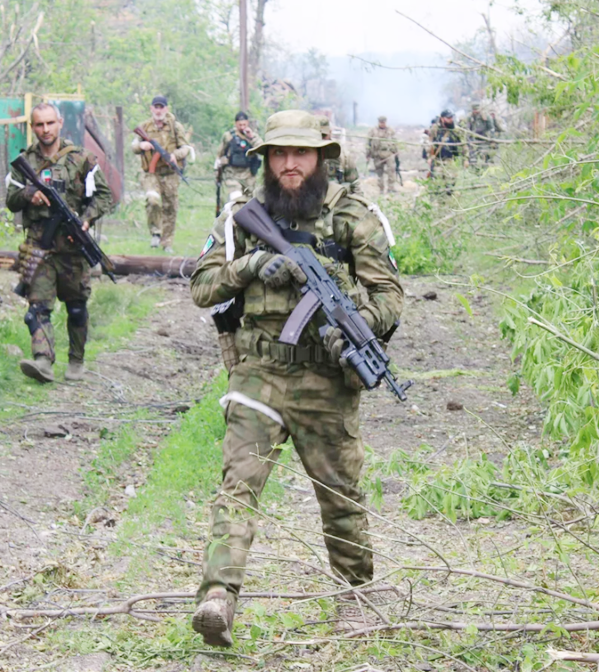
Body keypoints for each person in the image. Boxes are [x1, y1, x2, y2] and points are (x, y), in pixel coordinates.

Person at [189, 110, 404, 647]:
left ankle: (354, 600)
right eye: (280, 154)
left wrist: (355, 332)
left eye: (301, 154)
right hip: (258, 372)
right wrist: (252, 267)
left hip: (327, 382)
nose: (290, 164)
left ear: (321, 159)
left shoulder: (355, 217)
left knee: (341, 496)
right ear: (265, 160)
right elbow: (201, 286)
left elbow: (390, 300)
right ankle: (218, 599)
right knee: (238, 487)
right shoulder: (243, 216)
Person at [6, 102, 113, 384]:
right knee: (38, 307)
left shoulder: (81, 158)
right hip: (39, 246)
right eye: (39, 124)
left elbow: (105, 196)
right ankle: (43, 361)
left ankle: (76, 360)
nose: (45, 130)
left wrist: (86, 220)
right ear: (32, 127)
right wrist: (30, 193)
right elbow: (10, 199)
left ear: (60, 122)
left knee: (76, 306)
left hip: (72, 247)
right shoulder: (25, 161)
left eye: (50, 123)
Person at [132, 95, 193, 253]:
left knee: (170, 207)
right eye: (156, 107)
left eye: (161, 107)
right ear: (151, 108)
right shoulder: (145, 126)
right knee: (153, 200)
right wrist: (141, 145)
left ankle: (167, 243)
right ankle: (155, 233)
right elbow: (133, 146)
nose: (158, 110)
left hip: (170, 173)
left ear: (166, 109)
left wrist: (175, 156)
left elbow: (185, 148)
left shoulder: (175, 127)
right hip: (151, 174)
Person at [215, 111, 262, 201]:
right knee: (236, 201)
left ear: (247, 123)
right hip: (233, 175)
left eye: (244, 124)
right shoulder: (228, 136)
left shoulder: (252, 136)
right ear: (235, 124)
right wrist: (217, 171)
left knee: (249, 202)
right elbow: (220, 154)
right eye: (240, 125)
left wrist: (251, 137)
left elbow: (261, 149)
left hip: (248, 176)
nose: (242, 127)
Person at [318, 115, 362, 195]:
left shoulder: (343, 156)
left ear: (330, 133)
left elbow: (354, 185)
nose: (320, 139)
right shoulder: (303, 157)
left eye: (323, 136)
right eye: (317, 136)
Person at [430, 109, 464, 195]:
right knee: (437, 183)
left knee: (451, 184)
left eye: (451, 117)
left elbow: (463, 144)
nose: (450, 120)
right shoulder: (435, 129)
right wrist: (430, 157)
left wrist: (465, 159)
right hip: (438, 160)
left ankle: (449, 201)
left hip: (450, 160)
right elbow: (430, 144)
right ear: (442, 119)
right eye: (448, 118)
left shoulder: (456, 130)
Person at [365, 115, 399, 194]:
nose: (382, 124)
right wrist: (368, 155)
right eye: (381, 122)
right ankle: (381, 189)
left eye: (383, 122)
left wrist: (396, 152)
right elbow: (368, 143)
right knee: (379, 173)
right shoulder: (373, 131)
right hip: (377, 154)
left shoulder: (390, 130)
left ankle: (391, 188)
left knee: (391, 171)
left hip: (389, 154)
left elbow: (395, 141)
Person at [466, 102, 501, 167]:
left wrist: (492, 139)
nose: (475, 111)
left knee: (485, 155)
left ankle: (487, 166)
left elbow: (491, 128)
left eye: (477, 109)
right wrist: (468, 139)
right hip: (474, 139)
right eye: (474, 110)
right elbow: (468, 128)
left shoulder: (486, 116)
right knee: (473, 155)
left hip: (484, 138)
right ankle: (474, 168)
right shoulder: (470, 117)